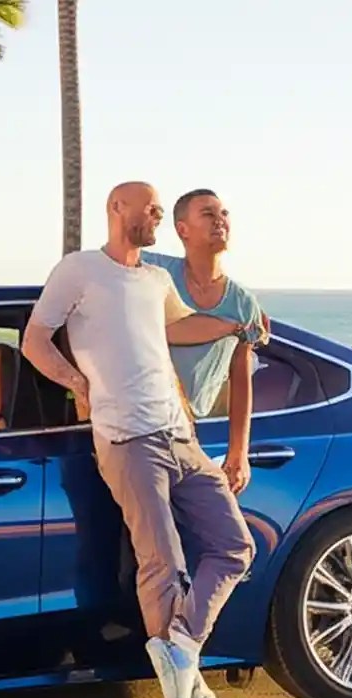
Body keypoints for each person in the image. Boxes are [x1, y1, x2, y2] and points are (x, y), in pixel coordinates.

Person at [21, 181, 258, 698]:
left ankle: (182, 657)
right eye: (149, 206)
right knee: (164, 565)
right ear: (117, 209)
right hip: (127, 439)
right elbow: (35, 339)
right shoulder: (79, 270)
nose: (156, 214)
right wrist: (76, 382)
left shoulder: (155, 280)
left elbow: (182, 327)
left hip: (179, 434)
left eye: (159, 207)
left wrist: (235, 324)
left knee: (234, 545)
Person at [142, 188, 270, 498]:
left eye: (224, 213)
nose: (220, 221)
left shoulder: (242, 302)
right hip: (143, 425)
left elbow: (240, 377)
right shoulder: (153, 270)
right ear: (182, 229)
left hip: (193, 432)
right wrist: (226, 327)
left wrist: (238, 453)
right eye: (208, 214)